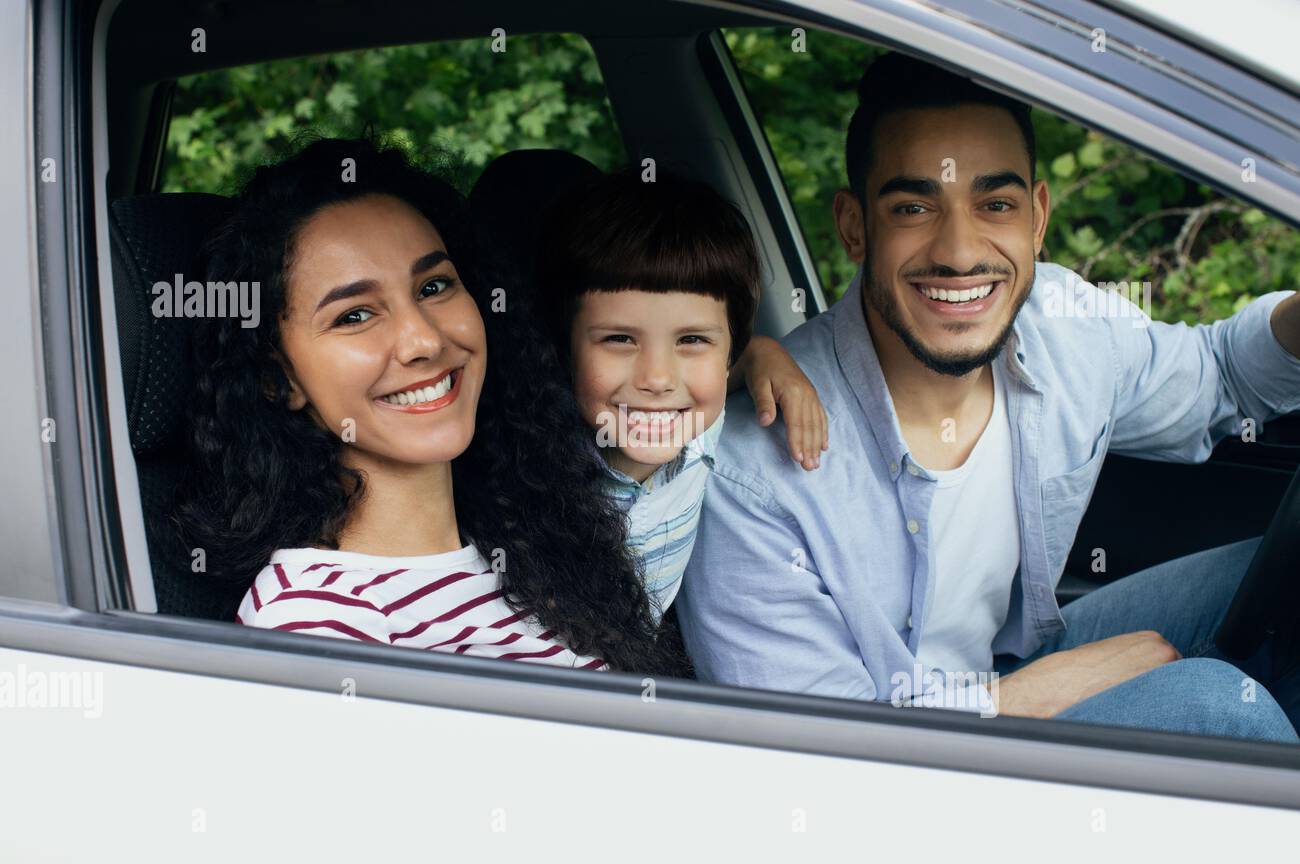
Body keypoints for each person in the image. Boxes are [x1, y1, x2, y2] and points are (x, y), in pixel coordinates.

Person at [675, 53, 1300, 740]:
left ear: (1035, 216)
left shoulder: (1063, 323)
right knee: (1208, 705)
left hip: (1008, 665)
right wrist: (1027, 696)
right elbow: (823, 752)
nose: (960, 252)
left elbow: (1222, 375)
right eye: (913, 207)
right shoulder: (749, 471)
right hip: (903, 769)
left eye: (994, 204)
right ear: (855, 227)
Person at [171, 136, 691, 676]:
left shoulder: (535, 545)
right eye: (354, 315)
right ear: (279, 379)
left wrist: (750, 359)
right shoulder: (317, 618)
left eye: (434, 285)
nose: (423, 340)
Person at [535, 167, 828, 621]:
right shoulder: (535, 479)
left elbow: (726, 366)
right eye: (619, 339)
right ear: (566, 347)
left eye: (691, 340)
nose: (657, 378)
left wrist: (766, 356)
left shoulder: (700, 426)